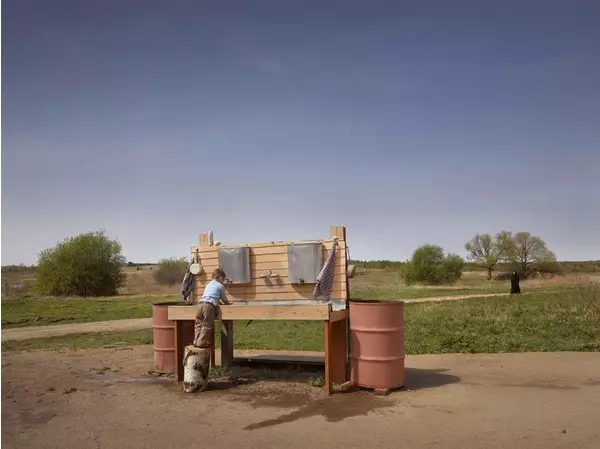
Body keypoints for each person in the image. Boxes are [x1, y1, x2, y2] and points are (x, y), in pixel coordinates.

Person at [193, 268, 231, 348]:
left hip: (200, 304)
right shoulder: (220, 286)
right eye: (223, 279)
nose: (223, 281)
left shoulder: (208, 284)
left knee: (198, 323)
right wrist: (228, 303)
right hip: (209, 306)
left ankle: (196, 340)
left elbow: (211, 295)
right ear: (220, 278)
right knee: (207, 324)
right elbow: (224, 298)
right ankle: (201, 342)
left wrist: (218, 301)